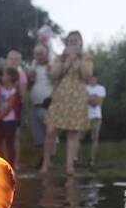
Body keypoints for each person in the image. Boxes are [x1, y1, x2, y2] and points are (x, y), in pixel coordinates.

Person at [42, 30, 93, 175]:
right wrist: (66, 60)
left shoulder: (86, 57)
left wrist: (78, 59)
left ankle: (69, 167)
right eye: (70, 41)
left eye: (76, 41)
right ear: (67, 42)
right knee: (51, 130)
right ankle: (46, 165)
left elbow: (87, 75)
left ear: (80, 42)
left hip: (77, 98)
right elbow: (54, 75)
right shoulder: (60, 57)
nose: (73, 43)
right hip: (61, 97)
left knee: (73, 132)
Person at [27, 43, 54, 165]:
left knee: (50, 133)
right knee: (38, 137)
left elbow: (58, 83)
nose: (39, 56)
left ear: (47, 54)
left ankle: (49, 160)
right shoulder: (33, 69)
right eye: (37, 54)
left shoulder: (52, 67)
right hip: (35, 105)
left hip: (48, 105)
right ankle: (41, 160)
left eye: (41, 53)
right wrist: (30, 80)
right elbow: (28, 87)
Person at [0, 65, 22, 167]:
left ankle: (11, 164)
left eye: (5, 74)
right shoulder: (1, 89)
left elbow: (9, 107)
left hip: (10, 120)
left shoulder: (14, 92)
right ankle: (0, 163)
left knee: (9, 143)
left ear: (10, 77)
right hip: (1, 119)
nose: (3, 76)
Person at [85, 64, 106, 168]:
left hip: (96, 116)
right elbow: (84, 100)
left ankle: (92, 160)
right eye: (90, 78)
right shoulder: (84, 88)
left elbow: (98, 102)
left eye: (93, 78)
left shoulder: (101, 88)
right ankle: (75, 159)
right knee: (78, 137)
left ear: (96, 79)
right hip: (84, 116)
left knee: (95, 138)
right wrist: (92, 99)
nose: (91, 80)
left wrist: (90, 99)